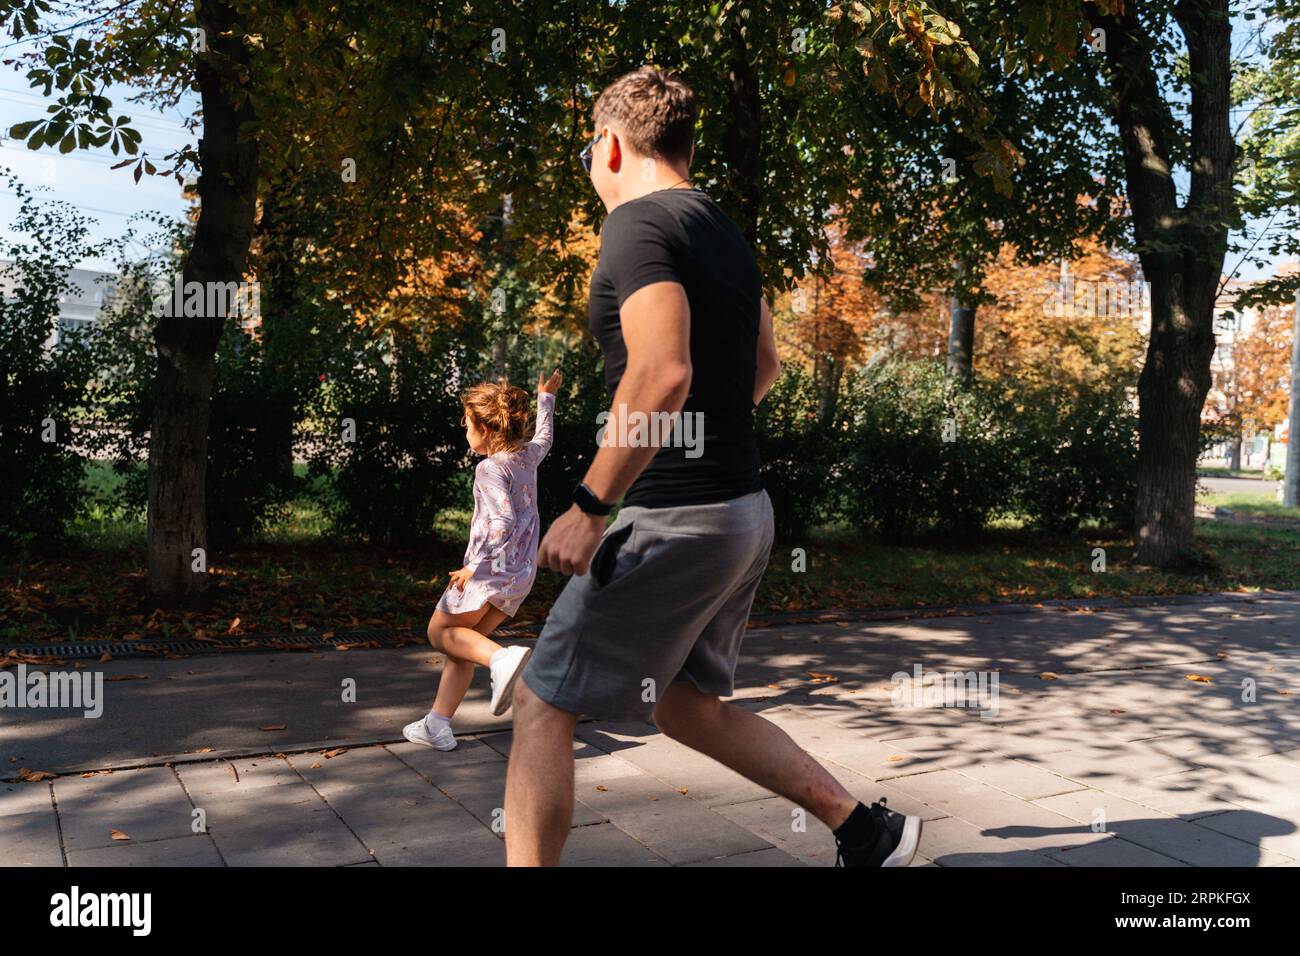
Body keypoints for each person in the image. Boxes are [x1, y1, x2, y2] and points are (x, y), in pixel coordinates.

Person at [502, 66, 922, 866]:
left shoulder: (635, 225)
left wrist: (592, 503)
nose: (589, 166)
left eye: (589, 149)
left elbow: (662, 371)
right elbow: (763, 363)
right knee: (687, 706)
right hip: (740, 511)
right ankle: (865, 832)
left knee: (539, 703)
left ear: (614, 146)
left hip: (673, 518)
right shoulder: (725, 232)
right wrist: (705, 442)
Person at [402, 369, 562, 751]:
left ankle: (503, 661)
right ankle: (437, 724)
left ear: (486, 431)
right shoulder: (525, 457)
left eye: (468, 426)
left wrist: (475, 566)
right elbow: (545, 438)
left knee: (439, 633)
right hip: (519, 574)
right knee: (463, 643)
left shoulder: (489, 468)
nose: (465, 432)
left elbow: (502, 521)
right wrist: (546, 398)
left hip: (488, 571)